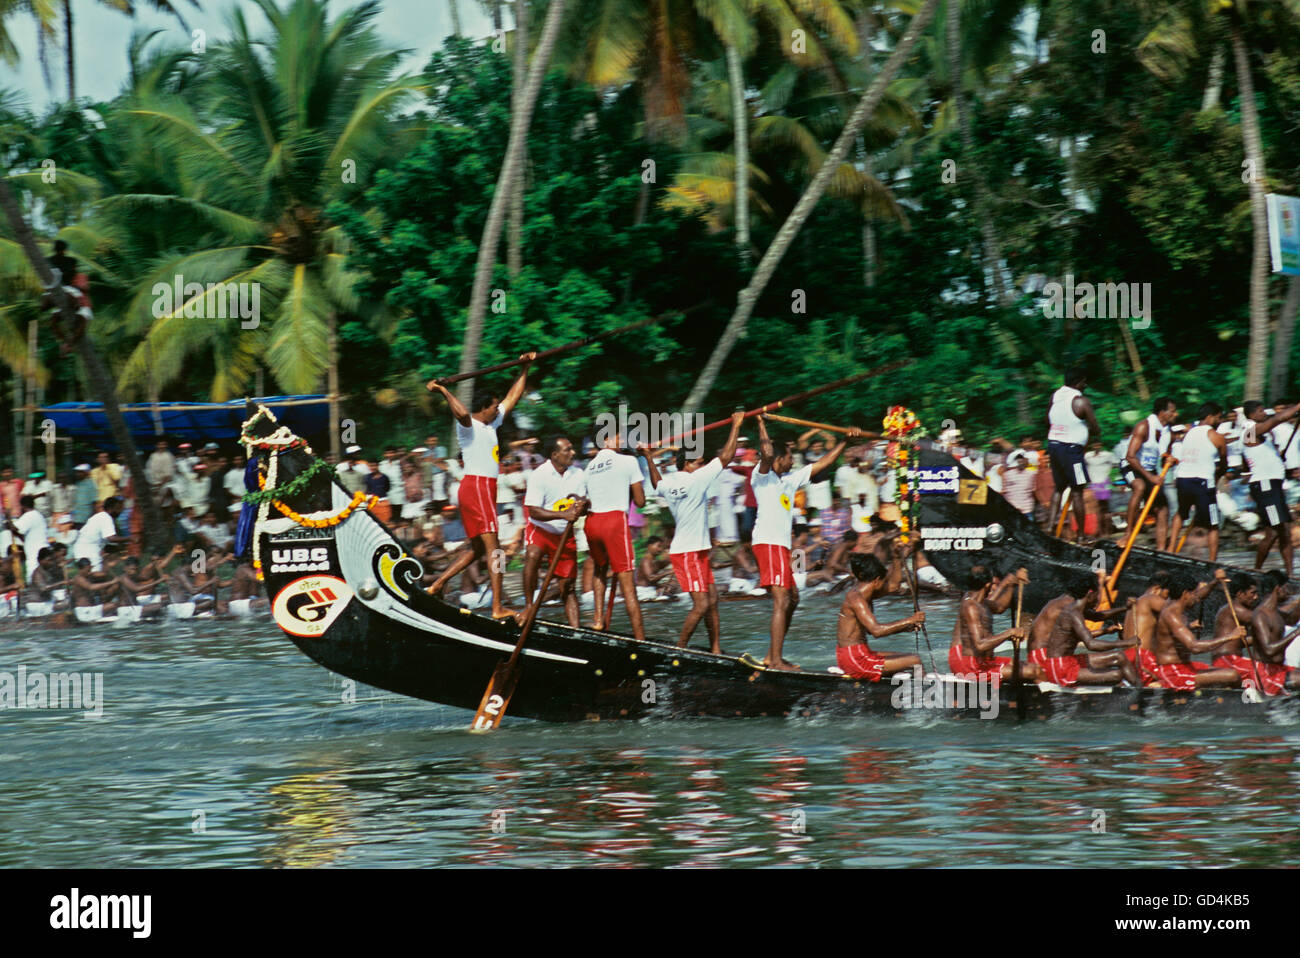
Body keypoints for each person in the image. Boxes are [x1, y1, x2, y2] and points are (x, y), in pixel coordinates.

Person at [425, 354, 536, 617]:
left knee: (476, 549)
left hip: (483, 489)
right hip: (477, 488)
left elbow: (512, 399)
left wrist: (525, 368)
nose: (498, 409)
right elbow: (462, 411)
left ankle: (437, 584)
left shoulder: (490, 423)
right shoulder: (468, 425)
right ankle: (497, 608)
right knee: (495, 549)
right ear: (484, 407)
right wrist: (443, 389)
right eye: (494, 406)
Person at [751, 414, 855, 670]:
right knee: (782, 600)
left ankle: (772, 655)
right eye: (788, 457)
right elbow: (765, 451)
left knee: (793, 599)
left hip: (779, 547)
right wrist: (760, 422)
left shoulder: (788, 481)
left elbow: (822, 465)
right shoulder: (761, 476)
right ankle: (774, 660)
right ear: (778, 459)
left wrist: (844, 441)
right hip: (767, 543)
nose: (792, 462)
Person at [651, 412, 744, 653]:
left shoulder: (669, 482)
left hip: (696, 550)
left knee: (712, 600)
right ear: (688, 465)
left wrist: (647, 457)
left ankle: (715, 649)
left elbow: (655, 484)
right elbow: (727, 456)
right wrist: (736, 425)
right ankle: (680, 650)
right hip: (687, 552)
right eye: (700, 462)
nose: (703, 466)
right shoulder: (697, 479)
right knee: (702, 604)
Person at [583, 430, 654, 640]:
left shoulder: (589, 466)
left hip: (592, 522)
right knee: (627, 583)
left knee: (599, 569)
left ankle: (598, 620)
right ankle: (640, 638)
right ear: (605, 440)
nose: (623, 441)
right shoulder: (629, 461)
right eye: (618, 437)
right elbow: (640, 502)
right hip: (614, 522)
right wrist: (645, 456)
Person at [520, 436, 588, 628]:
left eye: (572, 449)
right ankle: (528, 607)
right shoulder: (539, 475)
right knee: (532, 554)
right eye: (568, 450)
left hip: (564, 535)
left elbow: (583, 504)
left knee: (568, 587)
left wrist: (582, 507)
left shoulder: (578, 474)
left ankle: (576, 632)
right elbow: (533, 510)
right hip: (541, 529)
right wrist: (563, 515)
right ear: (554, 455)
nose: (572, 453)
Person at [1027, 573, 1140, 686]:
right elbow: (1091, 642)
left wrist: (1125, 608)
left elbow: (1095, 618)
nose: (1098, 601)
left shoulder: (1072, 605)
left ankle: (1140, 689)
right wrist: (1126, 642)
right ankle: (1137, 692)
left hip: (1064, 659)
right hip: (1043, 656)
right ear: (1090, 593)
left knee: (1119, 657)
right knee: (1117, 675)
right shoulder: (1069, 606)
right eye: (1097, 594)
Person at [835, 553, 924, 681]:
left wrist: (897, 557)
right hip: (855, 660)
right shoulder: (857, 599)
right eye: (883, 581)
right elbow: (876, 631)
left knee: (909, 657)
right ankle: (926, 698)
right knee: (915, 661)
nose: (885, 585)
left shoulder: (864, 594)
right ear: (877, 581)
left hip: (856, 653)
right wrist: (911, 619)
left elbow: (894, 586)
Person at [1214, 570, 1300, 694]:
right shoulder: (1252, 613)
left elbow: (1290, 619)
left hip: (1271, 666)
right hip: (1228, 661)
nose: (1256, 597)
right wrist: (1296, 632)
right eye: (1252, 593)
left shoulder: (1269, 612)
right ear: (1278, 589)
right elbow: (1268, 647)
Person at [1150, 571, 1241, 689]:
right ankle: (1165, 683)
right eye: (1194, 594)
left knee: (1227, 671)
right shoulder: (1172, 615)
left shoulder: (1175, 605)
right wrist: (1230, 636)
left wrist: (1215, 581)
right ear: (1185, 594)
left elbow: (1200, 596)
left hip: (1184, 665)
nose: (1196, 598)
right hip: (1171, 671)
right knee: (1232, 675)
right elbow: (1194, 647)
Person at [1241, 400, 1300, 576]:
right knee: (1276, 531)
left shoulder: (1265, 439)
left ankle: (1290, 575)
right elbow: (1276, 420)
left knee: (1282, 531)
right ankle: (1256, 571)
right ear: (1251, 415)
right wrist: (1296, 407)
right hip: (1264, 485)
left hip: (1273, 485)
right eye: (1260, 411)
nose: (1264, 413)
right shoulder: (1249, 432)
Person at [949, 565, 1034, 681]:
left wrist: (1011, 585)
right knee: (1032, 672)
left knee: (1030, 666)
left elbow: (999, 607)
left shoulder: (981, 602)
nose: (995, 587)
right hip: (966, 663)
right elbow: (980, 645)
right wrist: (1009, 633)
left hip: (982, 660)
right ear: (988, 585)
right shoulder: (970, 606)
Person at [1046, 366, 1101, 543]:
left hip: (1054, 446)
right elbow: (1096, 429)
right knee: (1078, 490)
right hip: (1071, 451)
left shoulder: (1054, 397)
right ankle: (1081, 536)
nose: (1085, 385)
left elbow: (1048, 420)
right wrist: (1086, 430)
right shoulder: (1081, 401)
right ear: (1078, 382)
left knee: (1059, 488)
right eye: (1084, 382)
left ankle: (1049, 528)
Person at [1168, 402, 1228, 561]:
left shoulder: (1189, 432)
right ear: (1210, 417)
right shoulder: (1216, 436)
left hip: (1182, 479)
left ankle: (1170, 549)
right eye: (1219, 418)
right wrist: (1218, 475)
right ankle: (1212, 561)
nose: (1220, 421)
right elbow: (1224, 464)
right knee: (1213, 524)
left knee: (1181, 512)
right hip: (1202, 481)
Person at [1122, 397, 1179, 549]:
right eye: (1172, 412)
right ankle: (1128, 533)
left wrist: (1170, 460)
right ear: (1162, 413)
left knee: (1163, 508)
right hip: (1130, 465)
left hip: (1149, 470)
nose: (1176, 414)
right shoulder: (1143, 427)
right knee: (1139, 487)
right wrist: (1150, 477)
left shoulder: (1170, 434)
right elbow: (1130, 456)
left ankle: (1161, 550)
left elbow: (1163, 458)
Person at [1121, 571, 1174, 684]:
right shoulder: (1151, 598)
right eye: (1167, 595)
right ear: (1157, 589)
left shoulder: (1136, 602)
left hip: (1127, 657)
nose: (1167, 599)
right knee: (1175, 678)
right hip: (1142, 657)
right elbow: (1174, 611)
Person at [72, 496, 128, 571]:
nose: (120, 511)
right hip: (87, 550)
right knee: (97, 575)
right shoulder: (106, 518)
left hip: (85, 549)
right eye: (118, 508)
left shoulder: (101, 516)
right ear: (111, 508)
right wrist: (130, 538)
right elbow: (111, 538)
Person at [4, 496, 49, 581]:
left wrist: (7, 516)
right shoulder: (38, 515)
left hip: (35, 553)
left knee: (34, 578)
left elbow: (14, 528)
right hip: (40, 549)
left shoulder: (29, 515)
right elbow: (19, 532)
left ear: (23, 506)